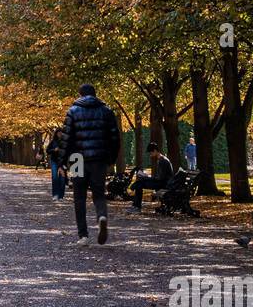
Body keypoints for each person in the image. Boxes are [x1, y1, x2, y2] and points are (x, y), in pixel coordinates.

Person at [58, 83, 121, 244]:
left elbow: (65, 139)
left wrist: (62, 162)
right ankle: (101, 216)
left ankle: (83, 235)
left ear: (80, 94)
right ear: (95, 94)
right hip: (98, 159)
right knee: (99, 193)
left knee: (79, 196)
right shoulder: (106, 111)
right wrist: (111, 159)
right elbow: (114, 137)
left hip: (77, 159)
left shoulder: (73, 111)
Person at [132, 142, 175, 210]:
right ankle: (136, 206)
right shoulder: (161, 159)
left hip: (163, 184)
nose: (150, 154)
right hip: (162, 182)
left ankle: (136, 206)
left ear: (155, 150)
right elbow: (159, 176)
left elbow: (160, 178)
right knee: (140, 182)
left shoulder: (162, 161)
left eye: (151, 152)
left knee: (140, 183)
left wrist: (148, 178)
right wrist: (147, 177)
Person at [45, 134, 65, 200]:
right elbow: (47, 150)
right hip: (54, 161)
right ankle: (55, 195)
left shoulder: (65, 141)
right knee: (55, 178)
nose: (59, 134)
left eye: (61, 132)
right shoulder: (53, 142)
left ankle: (61, 196)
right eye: (58, 132)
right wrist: (54, 150)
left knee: (62, 179)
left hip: (62, 162)